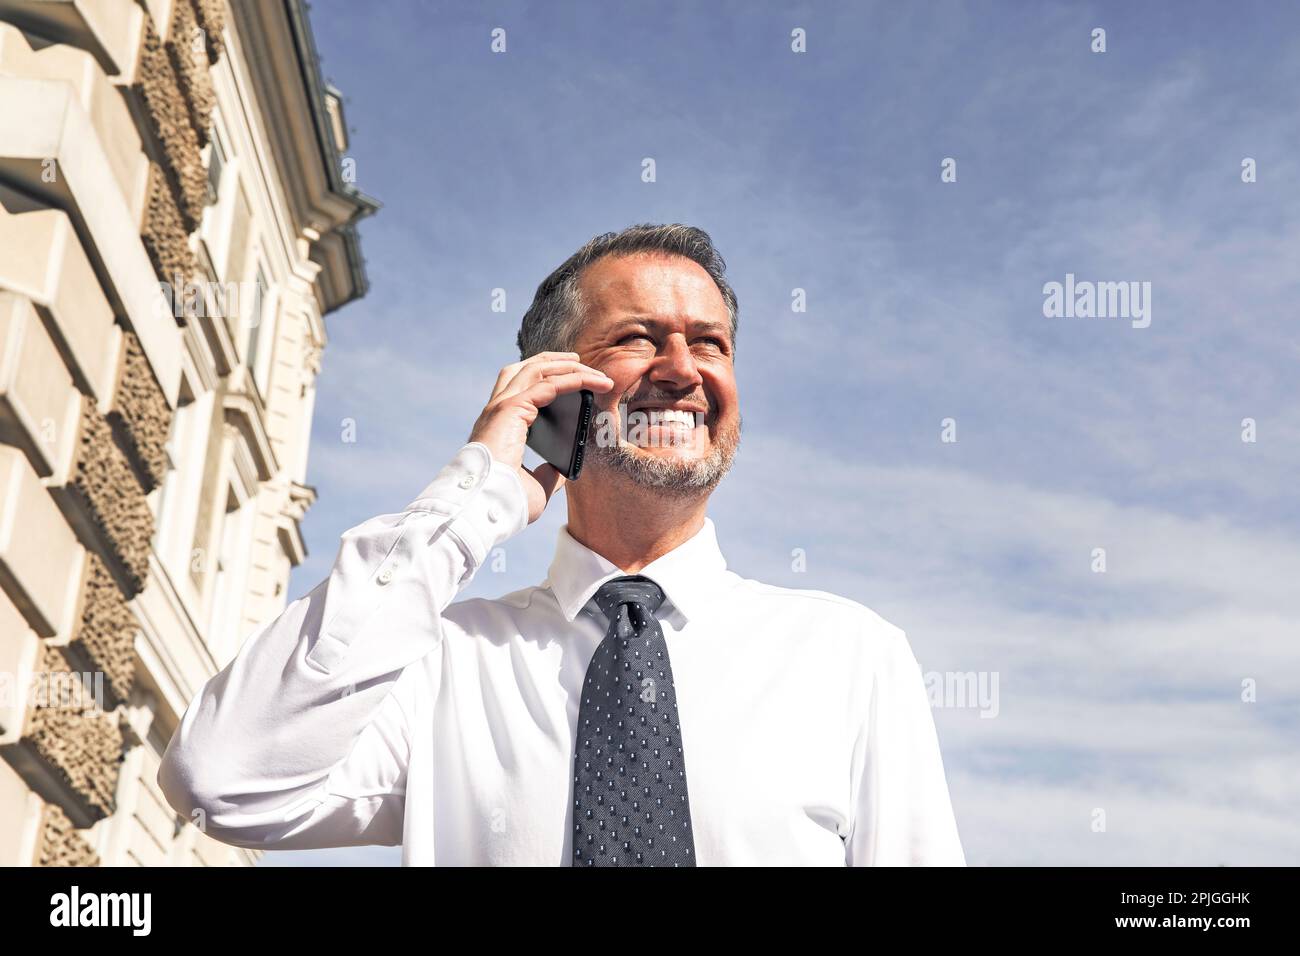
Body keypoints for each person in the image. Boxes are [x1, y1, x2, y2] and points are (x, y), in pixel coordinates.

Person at [158, 222, 966, 866]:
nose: (683, 369)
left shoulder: (850, 654)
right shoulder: (444, 663)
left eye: (710, 343)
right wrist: (473, 491)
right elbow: (221, 784)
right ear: (552, 390)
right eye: (639, 338)